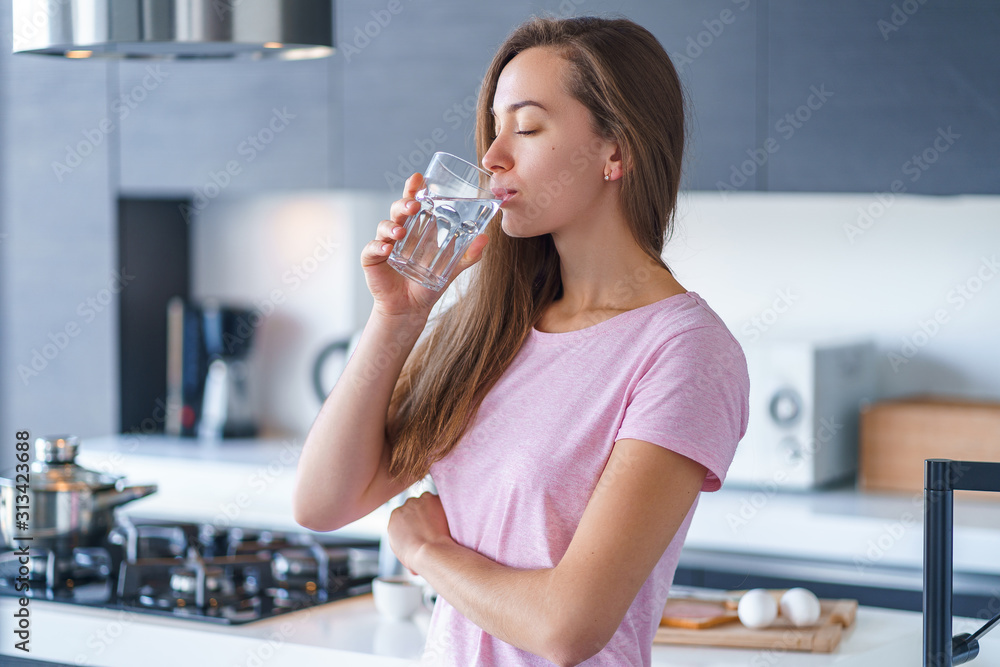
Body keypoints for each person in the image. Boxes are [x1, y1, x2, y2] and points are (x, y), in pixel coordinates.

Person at [293, 14, 750, 667]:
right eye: (494, 128)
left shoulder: (685, 351)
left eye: (528, 128)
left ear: (615, 151)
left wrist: (428, 551)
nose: (492, 157)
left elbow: (568, 627)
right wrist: (396, 319)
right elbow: (322, 500)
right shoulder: (490, 328)